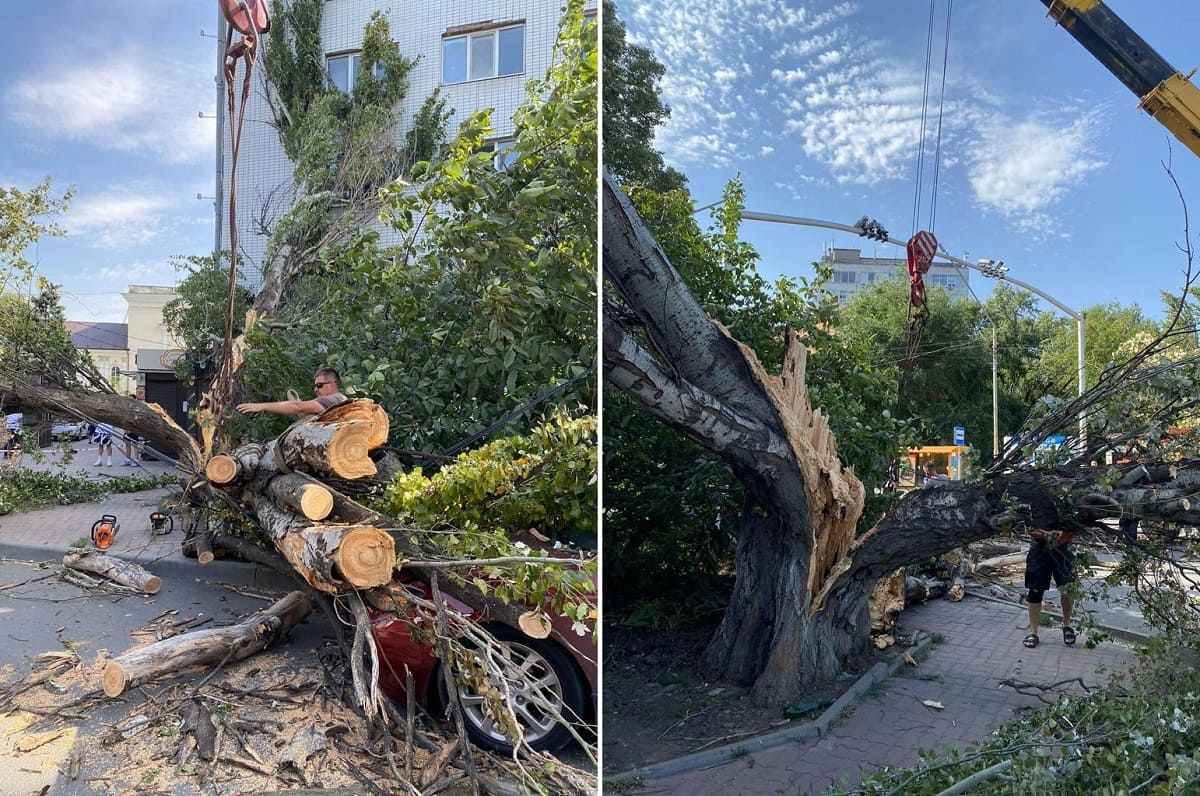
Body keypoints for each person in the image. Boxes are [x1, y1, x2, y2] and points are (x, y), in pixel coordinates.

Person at [1023, 526, 1076, 648]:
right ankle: (1033, 633)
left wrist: (1063, 535)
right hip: (1039, 550)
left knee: (1067, 589)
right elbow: (1031, 529)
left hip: (1063, 550)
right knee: (1035, 591)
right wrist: (1049, 535)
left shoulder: (1066, 508)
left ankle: (1067, 625)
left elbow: (1075, 528)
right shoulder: (1035, 507)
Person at [236, 367, 348, 417]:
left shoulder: (337, 399)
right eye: (315, 386)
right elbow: (303, 411)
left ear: (332, 384)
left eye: (319, 385)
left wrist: (261, 406)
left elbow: (297, 406)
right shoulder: (330, 405)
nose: (316, 389)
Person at [123, 386, 145, 466]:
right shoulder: (127, 408)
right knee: (127, 444)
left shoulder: (137, 407)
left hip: (134, 429)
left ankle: (136, 460)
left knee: (135, 444)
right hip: (127, 429)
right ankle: (127, 459)